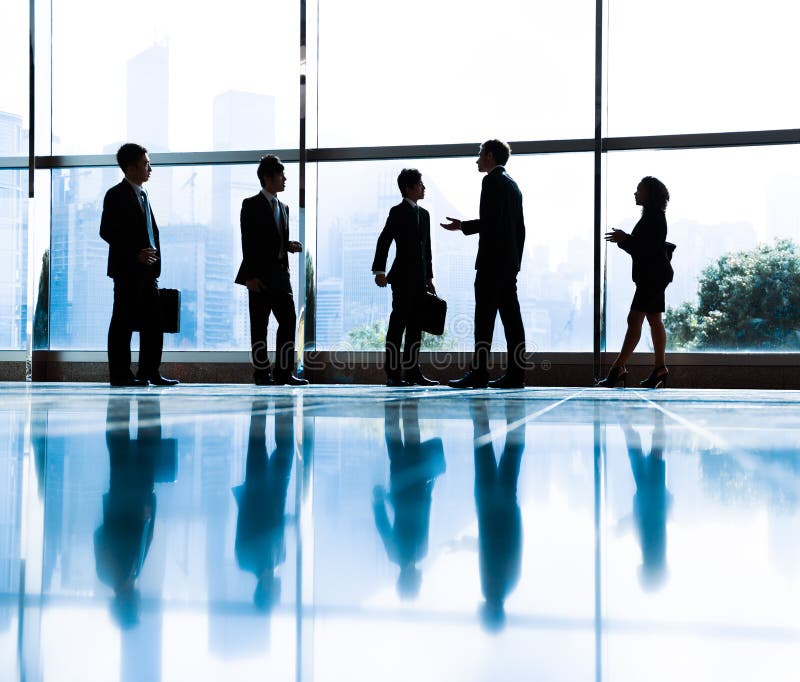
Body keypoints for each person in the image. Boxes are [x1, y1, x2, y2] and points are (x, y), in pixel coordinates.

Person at [441, 140, 526, 389]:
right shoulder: (513, 185)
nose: (477, 160)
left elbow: (490, 222)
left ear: (490, 156)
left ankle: (479, 374)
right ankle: (516, 375)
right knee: (512, 321)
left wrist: (463, 226)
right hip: (509, 263)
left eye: (479, 155)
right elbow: (519, 229)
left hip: (492, 263)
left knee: (484, 320)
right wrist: (515, 263)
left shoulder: (491, 181)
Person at [99, 143, 178, 387]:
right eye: (145, 164)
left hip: (148, 272)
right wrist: (135, 254)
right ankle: (121, 375)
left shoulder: (142, 195)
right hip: (127, 271)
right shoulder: (116, 194)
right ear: (130, 168)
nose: (150, 168)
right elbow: (107, 231)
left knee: (154, 323)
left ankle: (149, 372)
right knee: (122, 322)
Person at [235, 155, 308, 386]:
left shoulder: (284, 207)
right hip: (259, 277)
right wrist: (249, 277)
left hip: (280, 275)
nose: (285, 179)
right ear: (268, 177)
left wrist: (288, 245)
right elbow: (248, 241)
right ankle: (261, 373)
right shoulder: (251, 204)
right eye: (281, 175)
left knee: (288, 321)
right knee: (259, 327)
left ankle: (284, 373)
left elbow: (274, 240)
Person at [598, 176, 673, 388]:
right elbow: (646, 246)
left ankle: (618, 369)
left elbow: (646, 248)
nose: (635, 193)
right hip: (656, 275)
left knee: (635, 319)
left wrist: (625, 239)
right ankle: (659, 369)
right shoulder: (654, 216)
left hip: (652, 277)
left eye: (639, 190)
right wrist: (626, 240)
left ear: (649, 194)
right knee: (654, 320)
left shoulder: (653, 217)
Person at [372, 168, 438, 387]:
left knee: (415, 327)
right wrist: (379, 271)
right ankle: (393, 374)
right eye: (420, 184)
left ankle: (412, 372)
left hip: (420, 280)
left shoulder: (425, 214)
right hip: (401, 278)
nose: (423, 187)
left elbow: (426, 250)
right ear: (408, 188)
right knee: (398, 325)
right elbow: (384, 240)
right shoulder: (397, 211)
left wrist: (429, 277)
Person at [372, 401, 445, 599]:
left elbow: (424, 516)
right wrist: (378, 500)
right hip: (400, 489)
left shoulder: (422, 552)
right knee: (395, 447)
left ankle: (410, 403)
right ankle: (392, 405)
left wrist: (430, 487)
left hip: (418, 486)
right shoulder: (394, 555)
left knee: (412, 438)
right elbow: (382, 524)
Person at [233, 399, 294, 611]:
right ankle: (283, 403)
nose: (281, 591)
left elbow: (246, 524)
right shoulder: (281, 557)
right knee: (286, 446)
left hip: (257, 490)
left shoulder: (246, 560)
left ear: (266, 591)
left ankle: (260, 403)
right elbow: (277, 525)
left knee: (257, 442)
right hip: (278, 491)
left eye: (277, 595)